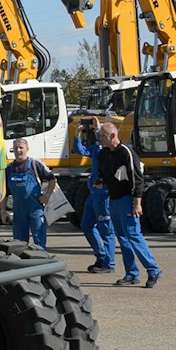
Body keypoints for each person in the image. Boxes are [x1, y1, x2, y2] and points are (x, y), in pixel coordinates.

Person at [93, 120, 163, 288]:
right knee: (122, 238)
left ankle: (154, 270)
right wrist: (101, 181)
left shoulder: (127, 152)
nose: (100, 139)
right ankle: (131, 274)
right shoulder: (103, 153)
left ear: (113, 136)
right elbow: (103, 172)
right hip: (113, 200)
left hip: (127, 200)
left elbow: (138, 179)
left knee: (133, 235)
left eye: (102, 136)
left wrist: (137, 204)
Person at [72, 117, 116, 273]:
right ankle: (101, 257)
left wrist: (98, 130)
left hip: (104, 194)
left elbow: (107, 146)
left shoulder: (108, 148)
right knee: (87, 224)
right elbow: (79, 150)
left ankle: (109, 264)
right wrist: (78, 134)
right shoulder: (96, 148)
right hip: (94, 193)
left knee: (106, 229)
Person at [5, 137, 56, 250]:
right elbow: (4, 193)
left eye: (21, 147)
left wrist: (47, 195)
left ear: (27, 148)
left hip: (35, 209)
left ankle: (42, 264)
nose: (18, 150)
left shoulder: (35, 164)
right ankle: (23, 265)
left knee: (39, 242)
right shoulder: (9, 169)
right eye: (15, 148)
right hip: (18, 211)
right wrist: (3, 211)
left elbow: (52, 179)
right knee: (19, 244)